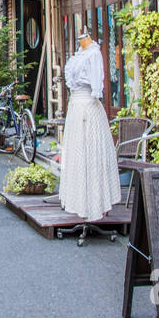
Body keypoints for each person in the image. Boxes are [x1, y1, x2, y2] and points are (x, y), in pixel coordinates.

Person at [59, 28, 122, 221]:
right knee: (78, 153)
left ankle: (95, 204)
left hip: (88, 106)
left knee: (91, 153)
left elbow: (96, 86)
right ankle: (79, 202)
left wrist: (94, 95)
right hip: (76, 107)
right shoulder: (79, 54)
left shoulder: (94, 53)